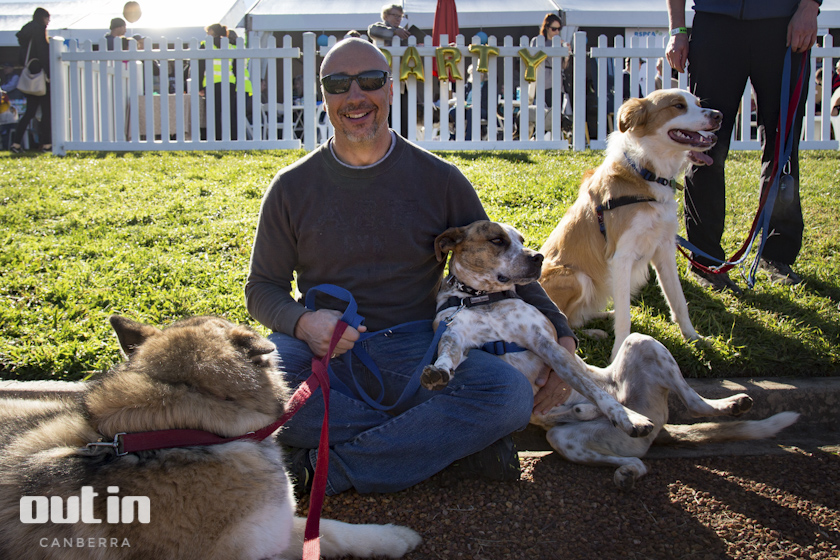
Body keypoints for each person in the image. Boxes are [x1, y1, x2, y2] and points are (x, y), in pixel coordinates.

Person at [245, 38, 577, 497]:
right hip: (322, 350)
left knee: (508, 398)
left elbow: (505, 264)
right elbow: (262, 288)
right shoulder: (290, 187)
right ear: (324, 95)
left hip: (420, 348)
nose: (355, 95)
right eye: (339, 83)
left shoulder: (440, 180)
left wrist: (563, 333)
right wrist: (303, 322)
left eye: (371, 80)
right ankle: (443, 444)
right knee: (257, 395)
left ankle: (326, 468)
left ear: (391, 89)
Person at [665, 0, 818, 290]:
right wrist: (678, 29)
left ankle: (776, 254)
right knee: (704, 145)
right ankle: (705, 259)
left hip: (783, 24)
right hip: (716, 23)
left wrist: (810, 7)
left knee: (782, 145)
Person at [9, 7, 51, 154]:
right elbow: (43, 54)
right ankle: (46, 144)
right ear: (43, 18)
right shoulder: (39, 31)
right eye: (48, 18)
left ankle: (16, 143)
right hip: (41, 77)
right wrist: (49, 73)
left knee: (29, 113)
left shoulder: (25, 34)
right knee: (46, 112)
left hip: (29, 76)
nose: (48, 22)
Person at [527, 13, 569, 139]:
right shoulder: (537, 41)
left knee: (556, 114)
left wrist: (566, 56)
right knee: (542, 114)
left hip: (557, 82)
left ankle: (554, 139)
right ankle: (538, 137)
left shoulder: (561, 43)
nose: (556, 32)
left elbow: (563, 66)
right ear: (546, 27)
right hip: (542, 81)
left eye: (559, 29)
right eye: (554, 29)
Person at [198, 23, 239, 140]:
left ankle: (215, 139)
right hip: (229, 83)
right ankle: (232, 139)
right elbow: (236, 68)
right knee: (229, 113)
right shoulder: (231, 46)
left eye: (208, 32)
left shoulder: (205, 46)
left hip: (211, 84)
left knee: (213, 114)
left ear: (212, 32)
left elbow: (200, 68)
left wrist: (199, 86)